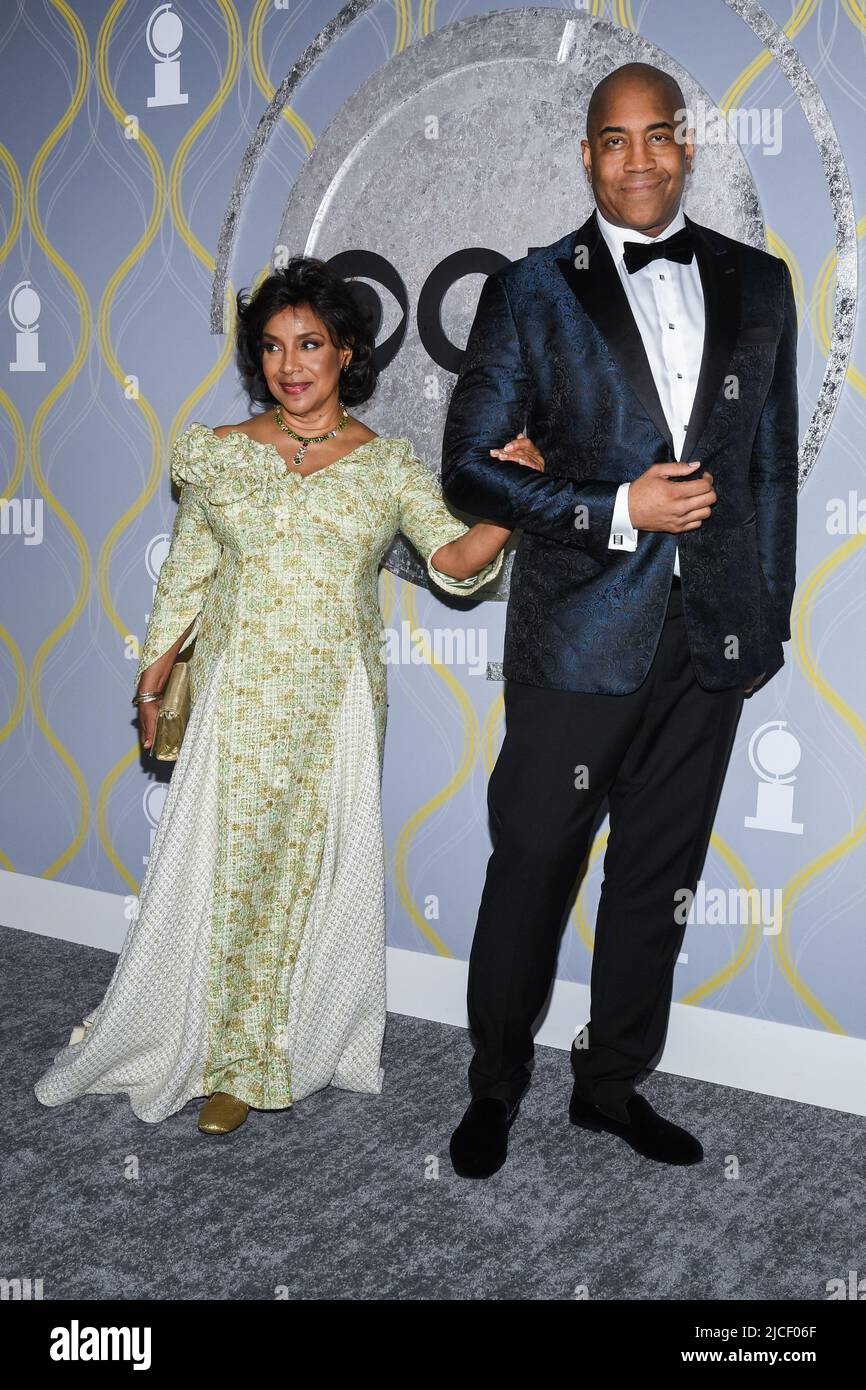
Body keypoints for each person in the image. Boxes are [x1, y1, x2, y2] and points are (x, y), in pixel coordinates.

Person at [34, 256, 543, 1134]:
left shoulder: (387, 468)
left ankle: (259, 1057)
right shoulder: (220, 454)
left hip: (333, 704)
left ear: (347, 351)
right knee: (223, 872)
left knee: (302, 874)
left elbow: (457, 566)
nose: (289, 363)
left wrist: (514, 495)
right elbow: (187, 577)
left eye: (310, 342)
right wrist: (154, 679)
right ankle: (206, 1042)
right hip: (235, 694)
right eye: (271, 347)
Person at [441, 61, 798, 1176]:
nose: (636, 158)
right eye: (612, 139)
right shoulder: (530, 288)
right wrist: (613, 509)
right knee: (530, 870)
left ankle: (608, 1085)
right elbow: (467, 473)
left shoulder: (759, 281)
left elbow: (772, 471)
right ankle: (494, 1086)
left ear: (685, 146)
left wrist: (762, 624)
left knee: (656, 878)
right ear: (585, 153)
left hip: (706, 649)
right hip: (574, 644)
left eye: (656, 137)